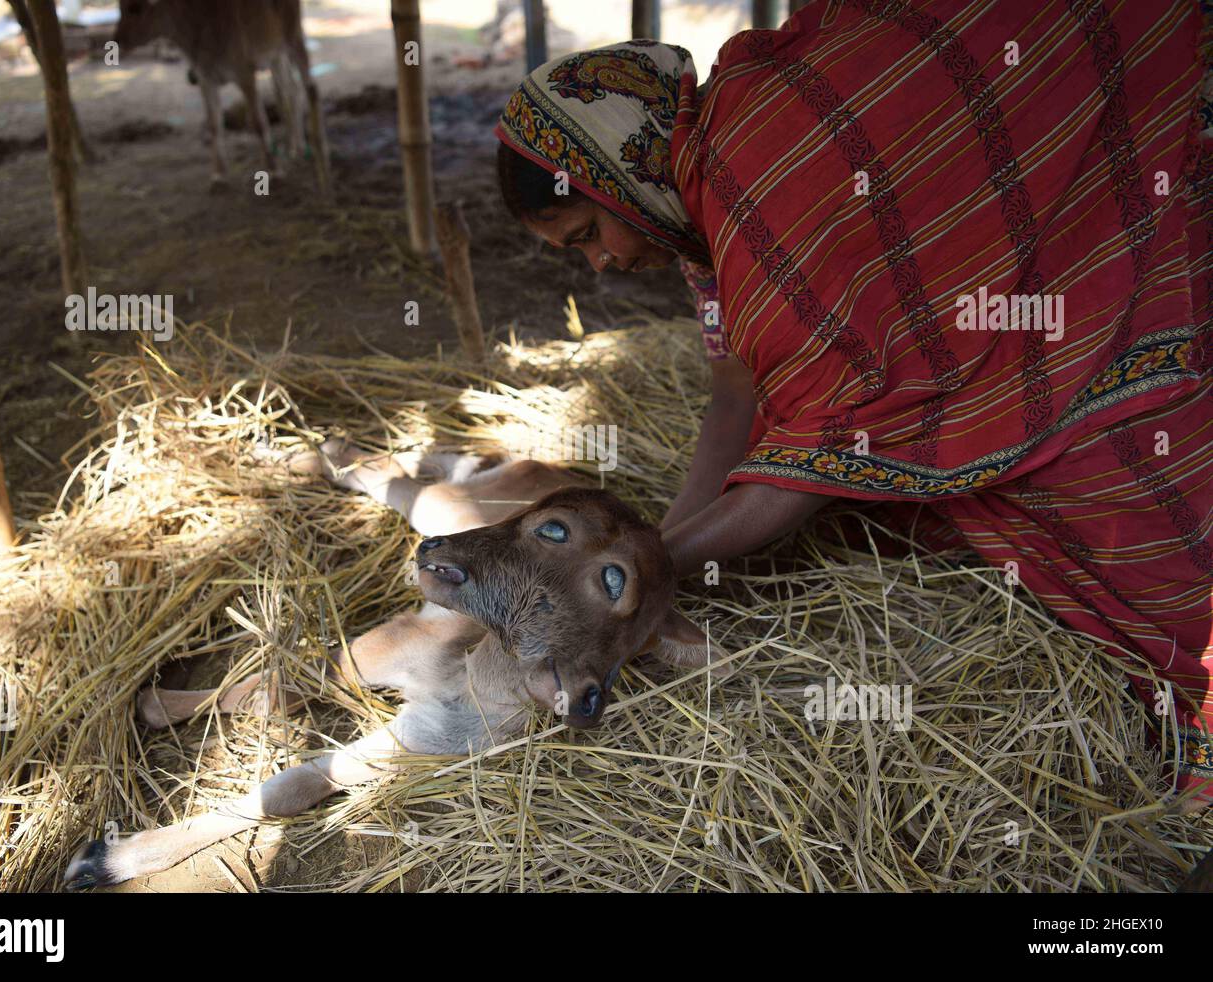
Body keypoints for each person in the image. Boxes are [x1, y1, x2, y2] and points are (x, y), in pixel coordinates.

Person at [494, 0, 1213, 801]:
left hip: (1132, 167)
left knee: (1119, 496)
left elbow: (820, 453)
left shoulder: (768, 170)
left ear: (614, 168)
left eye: (588, 234)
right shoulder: (701, 205)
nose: (599, 264)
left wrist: (643, 573)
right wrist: (661, 544)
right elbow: (739, 392)